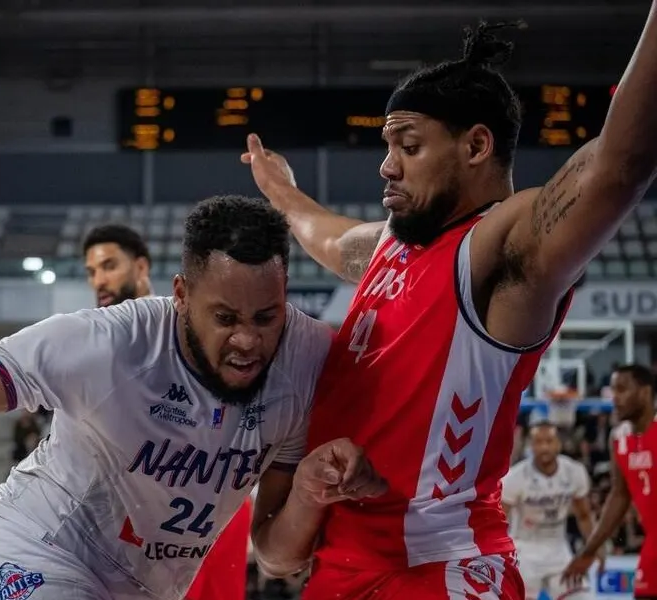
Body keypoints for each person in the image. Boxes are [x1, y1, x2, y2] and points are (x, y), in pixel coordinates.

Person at [243, 12, 657, 599]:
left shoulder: (501, 247)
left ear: (476, 145)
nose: (387, 165)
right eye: (389, 146)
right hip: (338, 571)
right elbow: (324, 233)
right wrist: (278, 186)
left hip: (442, 570)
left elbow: (619, 168)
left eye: (408, 145)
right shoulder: (389, 247)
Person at [0, 195, 388, 600]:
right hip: (41, 549)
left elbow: (277, 555)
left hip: (150, 586)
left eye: (267, 316)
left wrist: (311, 490)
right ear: (181, 294)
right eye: (225, 317)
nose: (248, 341)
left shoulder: (309, 357)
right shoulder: (105, 344)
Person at [82, 223, 254, 600]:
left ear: (141, 268)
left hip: (205, 506)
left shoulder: (192, 330)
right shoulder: (96, 343)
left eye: (110, 266)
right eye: (92, 272)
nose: (100, 280)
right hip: (131, 511)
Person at [565, 365, 656, 598]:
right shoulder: (619, 437)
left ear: (645, 393)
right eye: (612, 389)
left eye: (622, 389)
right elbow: (619, 496)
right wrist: (589, 550)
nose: (614, 397)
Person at [501, 421, 597, 600]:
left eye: (549, 441)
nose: (544, 447)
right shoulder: (515, 477)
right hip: (524, 549)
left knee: (585, 597)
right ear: (531, 445)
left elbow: (584, 516)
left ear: (559, 443)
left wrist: (595, 548)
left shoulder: (574, 472)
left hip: (559, 549)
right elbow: (500, 520)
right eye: (538, 441)